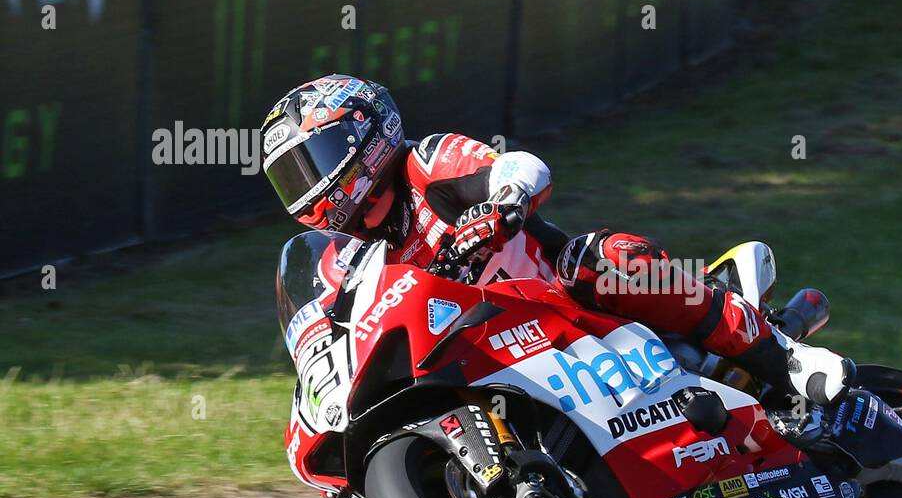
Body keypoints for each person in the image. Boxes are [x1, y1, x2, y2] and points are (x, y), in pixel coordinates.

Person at [260, 74, 851, 407]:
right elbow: (331, 334)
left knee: (603, 259)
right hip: (486, 356)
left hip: (564, 307)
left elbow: (519, 165)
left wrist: (505, 204)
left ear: (364, 132)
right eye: (293, 177)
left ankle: (786, 356)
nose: (310, 188)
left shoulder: (427, 165)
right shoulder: (349, 260)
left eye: (315, 162)